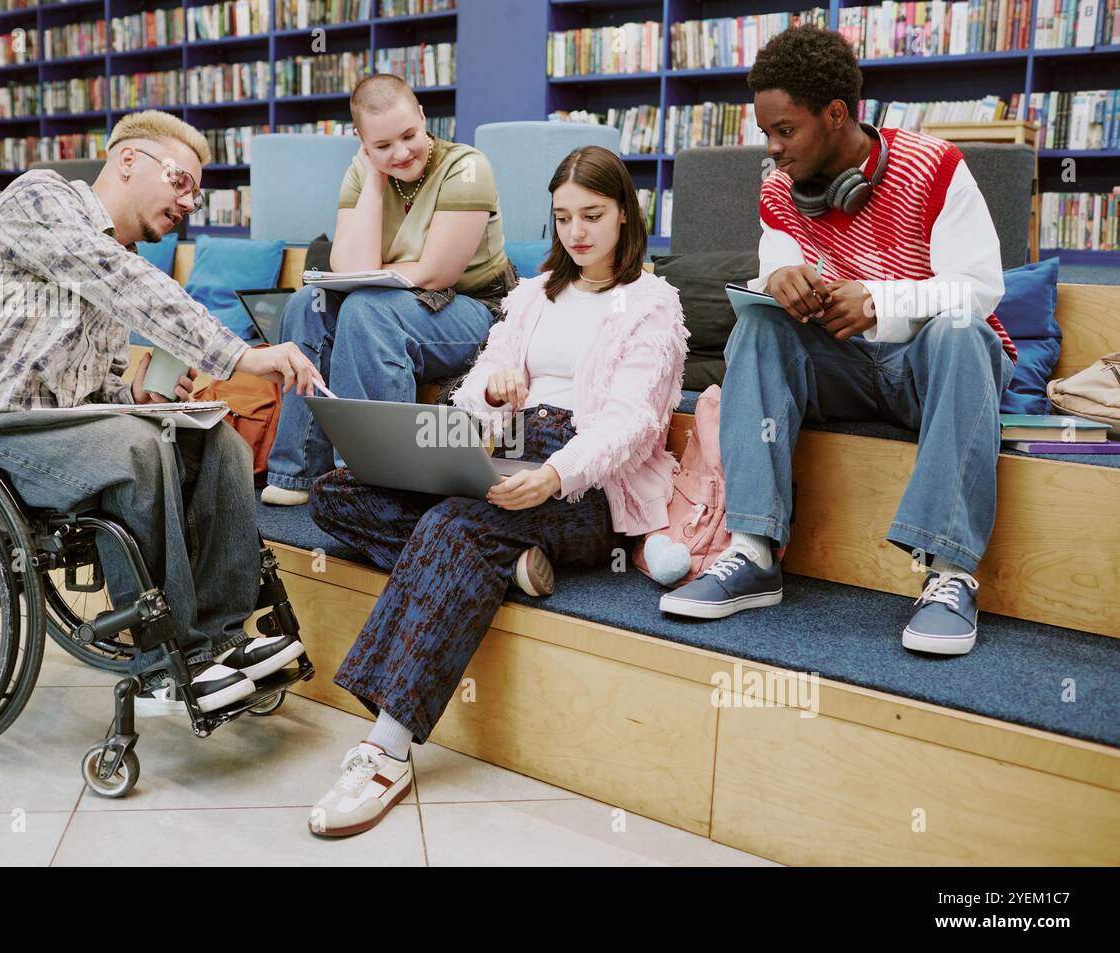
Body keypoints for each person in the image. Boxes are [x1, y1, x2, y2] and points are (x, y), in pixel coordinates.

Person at [304, 146, 687, 836]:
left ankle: (386, 749)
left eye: (593, 215)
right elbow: (480, 385)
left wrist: (554, 475)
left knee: (454, 527)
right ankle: (504, 568)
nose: (577, 232)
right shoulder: (535, 293)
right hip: (507, 453)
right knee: (336, 492)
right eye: (565, 216)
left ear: (627, 215)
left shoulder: (652, 304)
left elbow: (635, 424)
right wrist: (493, 392)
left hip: (584, 485)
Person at [0, 110, 319, 713]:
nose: (189, 202)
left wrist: (134, 395)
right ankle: (166, 656)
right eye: (181, 181)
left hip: (56, 432)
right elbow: (117, 277)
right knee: (134, 450)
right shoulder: (40, 199)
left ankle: (220, 639)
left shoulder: (114, 263)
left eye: (197, 193)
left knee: (218, 441)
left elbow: (96, 392)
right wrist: (238, 355)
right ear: (129, 160)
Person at [659, 26, 1016, 657]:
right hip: (846, 369)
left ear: (835, 113)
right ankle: (753, 551)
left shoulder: (936, 167)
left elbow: (980, 290)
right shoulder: (778, 189)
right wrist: (781, 279)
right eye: (766, 132)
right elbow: (777, 265)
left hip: (933, 365)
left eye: (785, 131)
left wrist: (881, 300)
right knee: (761, 324)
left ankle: (950, 573)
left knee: (961, 331)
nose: (772, 149)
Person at [261, 73, 517, 506]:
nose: (400, 153)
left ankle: (370, 482)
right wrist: (376, 181)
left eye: (409, 135)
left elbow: (438, 273)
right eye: (382, 146)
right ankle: (296, 473)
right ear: (360, 141)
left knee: (366, 310)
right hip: (399, 301)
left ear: (421, 115)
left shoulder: (467, 166)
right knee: (308, 303)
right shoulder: (363, 174)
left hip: (477, 308)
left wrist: (379, 270)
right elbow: (350, 267)